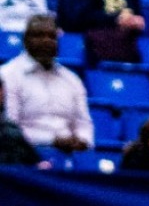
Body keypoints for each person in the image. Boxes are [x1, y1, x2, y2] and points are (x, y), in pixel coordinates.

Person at [1, 16, 91, 151]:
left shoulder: (72, 79)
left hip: (70, 154)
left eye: (52, 36)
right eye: (39, 36)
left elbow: (83, 123)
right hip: (23, 154)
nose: (46, 41)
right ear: (25, 40)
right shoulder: (8, 75)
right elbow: (9, 129)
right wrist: (51, 141)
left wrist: (83, 141)